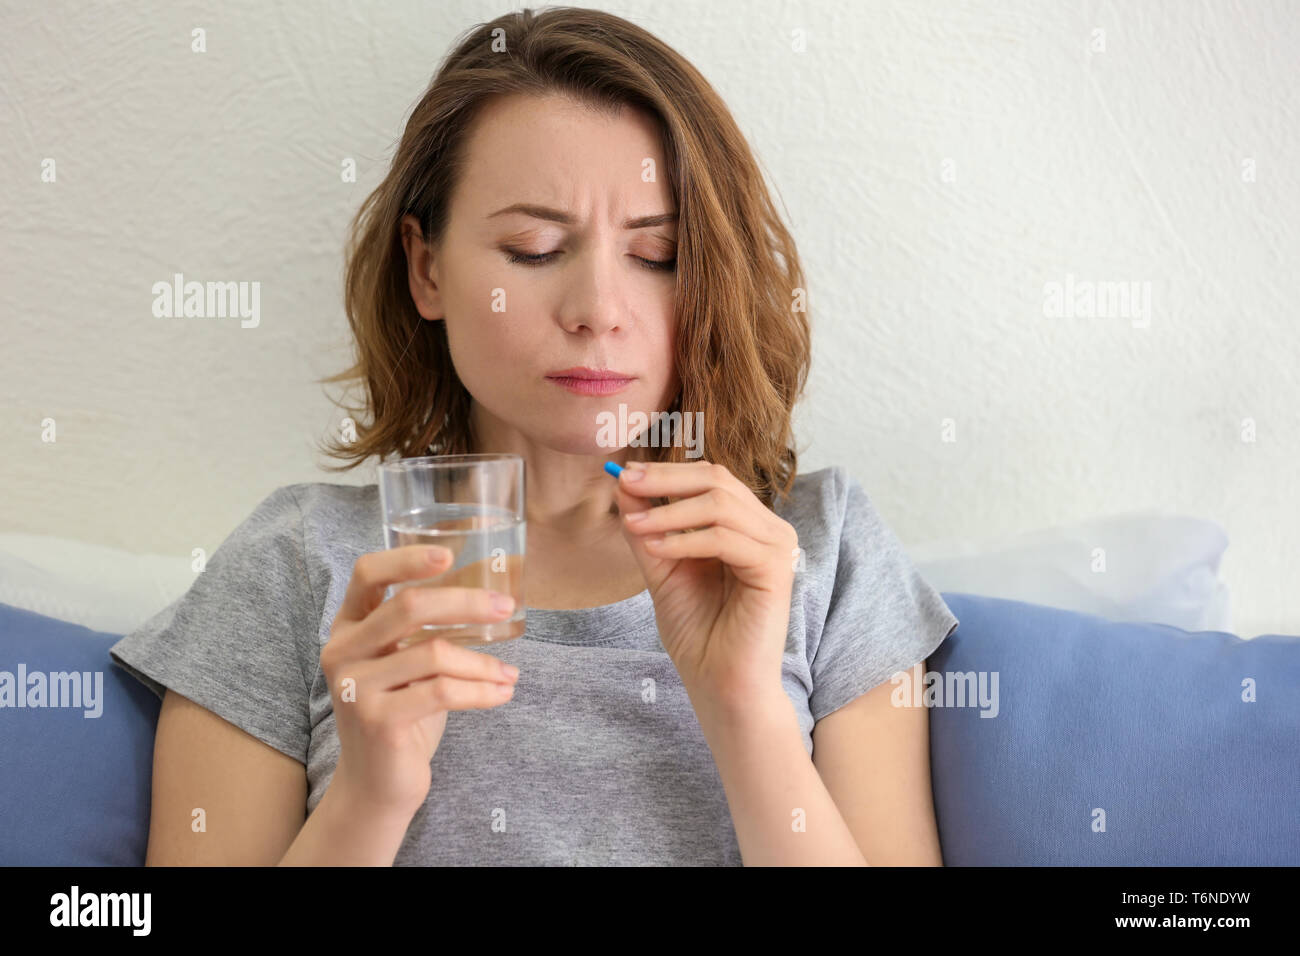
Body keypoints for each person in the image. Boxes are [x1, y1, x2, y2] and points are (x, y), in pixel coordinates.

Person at [109, 6, 958, 866]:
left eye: (657, 255)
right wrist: (370, 799)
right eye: (534, 247)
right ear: (427, 267)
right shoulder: (294, 564)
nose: (596, 311)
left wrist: (746, 712)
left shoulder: (822, 552)